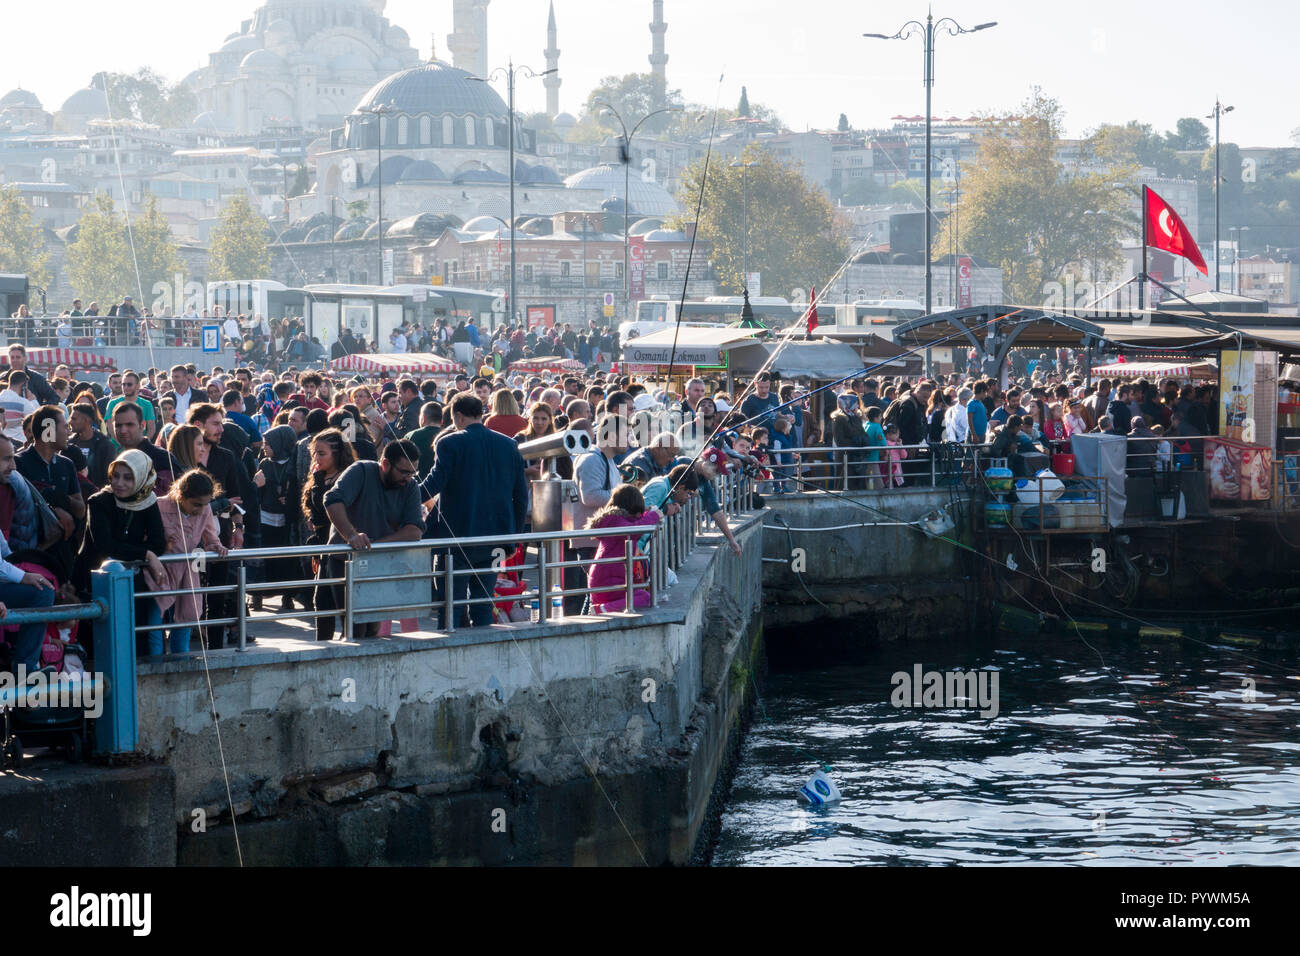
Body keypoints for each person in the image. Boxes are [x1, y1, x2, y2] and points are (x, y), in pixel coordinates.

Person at [418, 394, 528, 628]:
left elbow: (432, 485)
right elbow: (521, 496)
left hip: (456, 538)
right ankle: (484, 653)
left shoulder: (449, 443)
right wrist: (514, 537)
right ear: (480, 413)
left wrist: (400, 499)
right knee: (483, 604)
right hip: (496, 538)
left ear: (457, 416)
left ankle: (449, 655)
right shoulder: (509, 445)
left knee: (450, 606)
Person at [323, 440, 424, 637]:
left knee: (374, 629)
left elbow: (414, 531)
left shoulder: (411, 487)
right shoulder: (361, 471)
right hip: (345, 561)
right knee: (355, 627)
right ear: (385, 464)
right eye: (404, 472)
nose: (408, 478)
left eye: (413, 473)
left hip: (379, 563)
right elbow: (332, 500)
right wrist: (351, 535)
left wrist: (375, 545)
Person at [75, 450, 166, 643]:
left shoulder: (147, 501)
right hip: (93, 581)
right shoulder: (98, 501)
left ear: (141, 478)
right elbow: (105, 546)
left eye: (128, 477)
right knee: (99, 642)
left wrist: (145, 552)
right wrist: (145, 553)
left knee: (134, 641)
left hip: (131, 584)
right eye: (115, 476)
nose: (119, 483)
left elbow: (159, 543)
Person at [148, 469, 227, 655]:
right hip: (158, 573)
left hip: (187, 572)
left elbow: (210, 536)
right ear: (180, 495)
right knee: (154, 626)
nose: (200, 510)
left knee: (185, 620)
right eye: (196, 505)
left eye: (205, 504)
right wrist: (163, 546)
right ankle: (155, 666)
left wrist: (217, 546)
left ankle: (180, 663)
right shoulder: (158, 506)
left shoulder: (205, 509)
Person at [300, 429, 355, 640]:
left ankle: (349, 638)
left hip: (340, 544)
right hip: (323, 544)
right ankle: (324, 644)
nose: (316, 458)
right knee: (322, 599)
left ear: (337, 453)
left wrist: (318, 485)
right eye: (315, 453)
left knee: (340, 597)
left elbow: (327, 511)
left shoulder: (345, 477)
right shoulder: (320, 475)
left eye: (322, 453)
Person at [585, 483, 663, 613]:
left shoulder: (613, 520)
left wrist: (647, 514)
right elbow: (634, 530)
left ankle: (603, 608)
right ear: (631, 507)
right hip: (608, 583)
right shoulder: (615, 521)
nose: (639, 516)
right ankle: (602, 609)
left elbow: (634, 524)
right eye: (638, 512)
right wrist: (653, 516)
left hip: (606, 581)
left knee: (644, 595)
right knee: (646, 598)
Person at [112, 402, 176, 494]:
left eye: (129, 425)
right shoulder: (118, 457)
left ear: (142, 425)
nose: (123, 430)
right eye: (118, 425)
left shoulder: (162, 458)